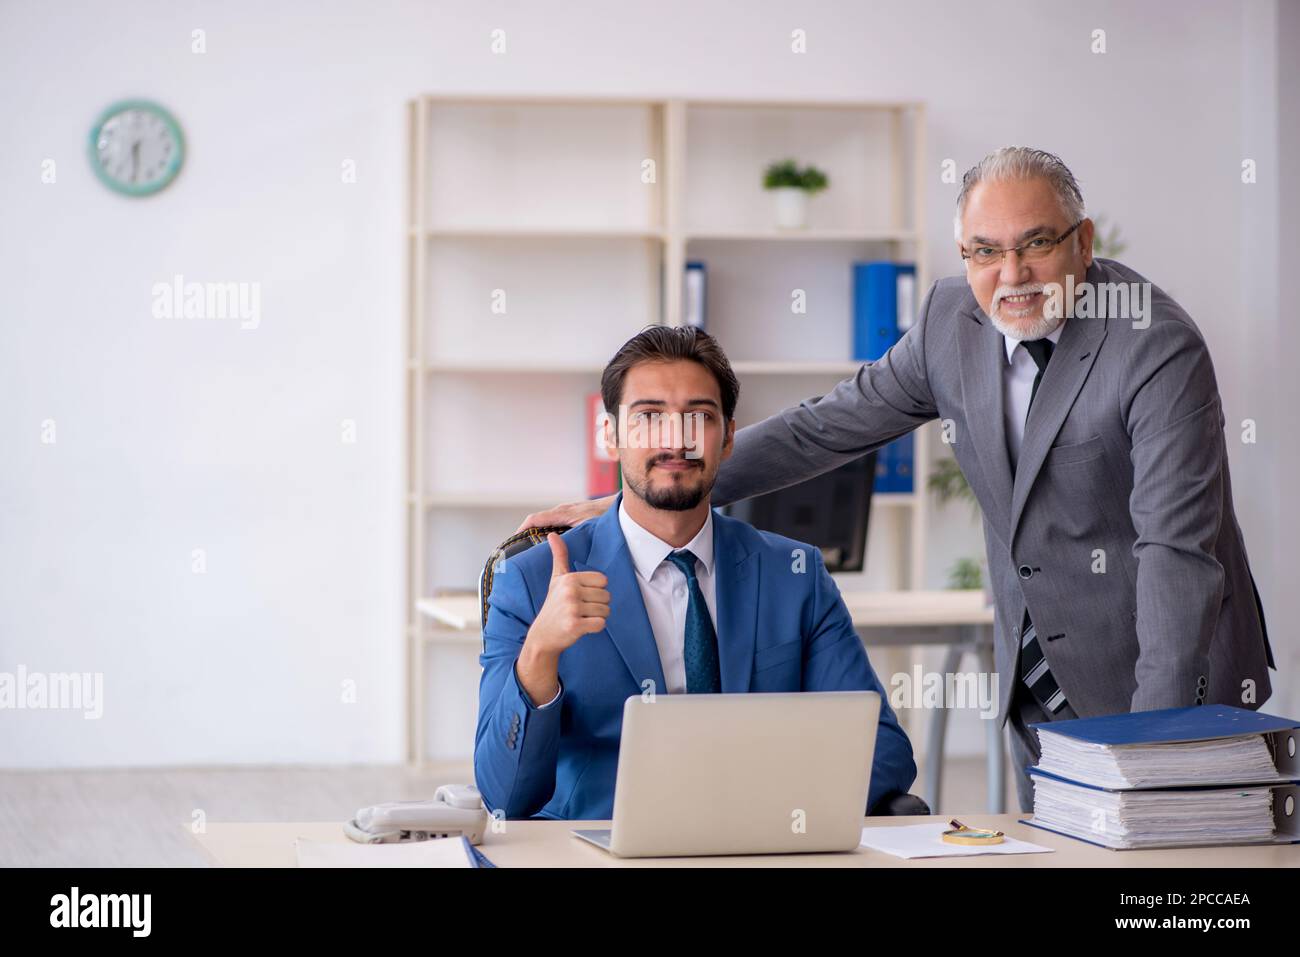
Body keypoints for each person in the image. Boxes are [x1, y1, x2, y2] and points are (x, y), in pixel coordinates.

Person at [518, 146, 1274, 813]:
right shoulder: (953, 321)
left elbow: (1177, 558)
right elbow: (827, 425)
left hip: (1169, 678)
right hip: (1039, 682)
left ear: (1083, 241)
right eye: (983, 251)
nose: (1010, 275)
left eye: (1035, 245)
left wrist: (1149, 758)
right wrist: (661, 483)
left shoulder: (1155, 345)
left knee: (1172, 895)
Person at [475, 326, 917, 819]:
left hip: (756, 846)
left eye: (698, 417)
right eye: (648, 417)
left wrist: (751, 810)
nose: (675, 439)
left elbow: (882, 750)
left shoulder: (794, 575)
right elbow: (504, 795)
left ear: (728, 437)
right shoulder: (533, 581)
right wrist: (540, 652)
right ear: (611, 436)